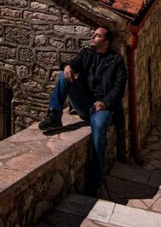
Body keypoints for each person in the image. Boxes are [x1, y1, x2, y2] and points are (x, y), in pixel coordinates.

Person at [38, 26, 126, 187]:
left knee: (99, 127)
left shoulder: (116, 61)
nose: (93, 37)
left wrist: (105, 102)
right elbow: (71, 64)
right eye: (93, 34)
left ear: (106, 42)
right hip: (84, 102)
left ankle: (97, 175)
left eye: (97, 36)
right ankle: (54, 115)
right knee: (62, 75)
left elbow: (119, 88)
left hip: (103, 107)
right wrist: (67, 67)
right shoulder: (86, 54)